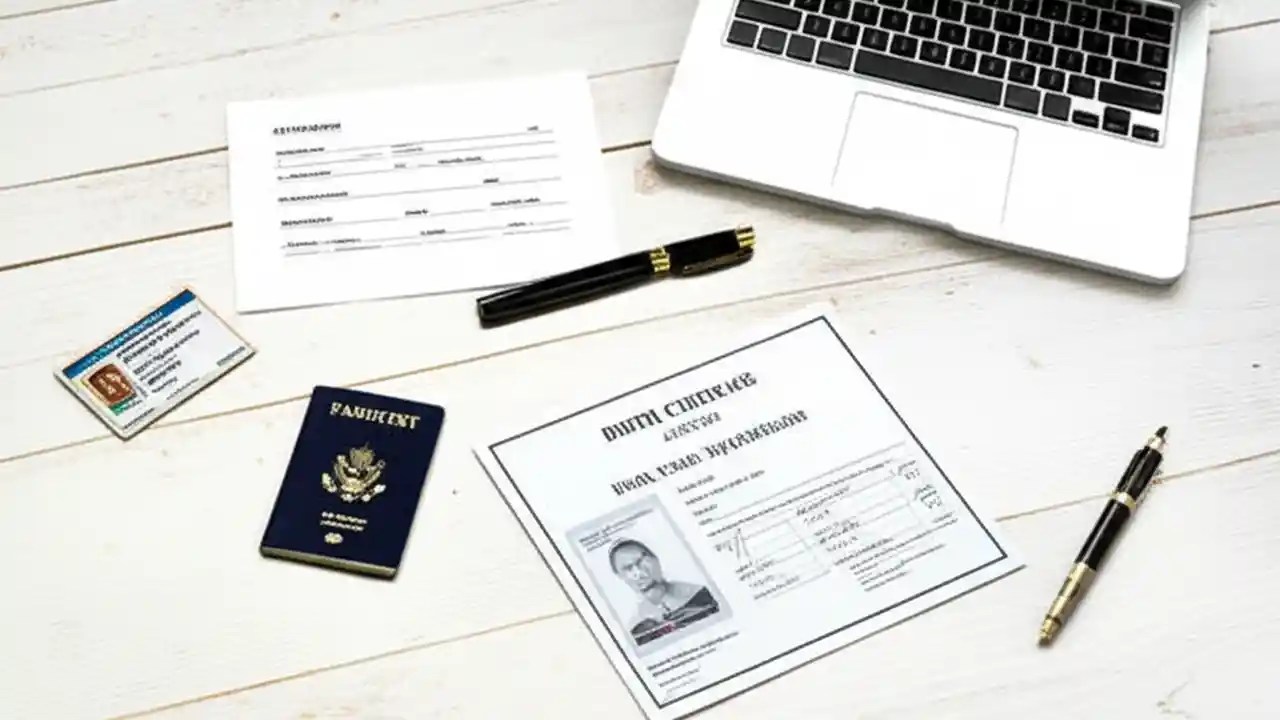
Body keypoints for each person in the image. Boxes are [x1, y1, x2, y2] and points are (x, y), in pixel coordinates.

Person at [608, 538, 719, 646]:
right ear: (620, 576)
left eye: (641, 561)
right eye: (628, 568)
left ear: (655, 559)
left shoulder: (701, 595)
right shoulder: (636, 630)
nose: (638, 572)